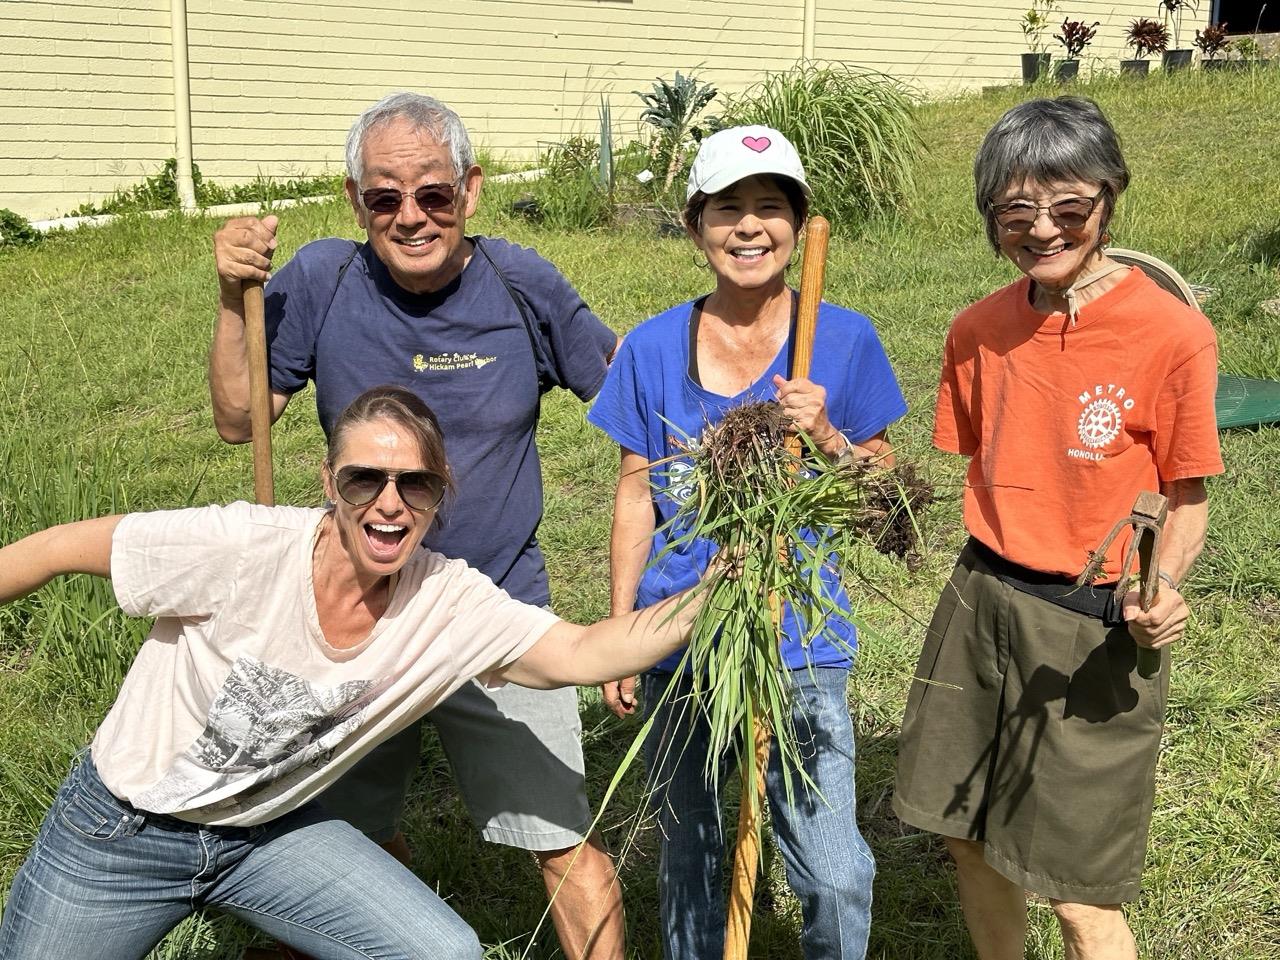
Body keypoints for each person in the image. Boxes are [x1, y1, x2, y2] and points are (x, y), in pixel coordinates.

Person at [0, 386, 724, 960]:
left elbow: (581, 652)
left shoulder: (446, 600)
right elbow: (56, 547)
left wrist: (719, 589)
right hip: (124, 832)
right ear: (328, 480)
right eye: (363, 479)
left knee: (441, 952)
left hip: (266, 834)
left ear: (441, 492)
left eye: (416, 484)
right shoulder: (243, 546)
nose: (389, 503)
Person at [210, 92, 623, 958]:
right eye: (384, 197)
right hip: (354, 614)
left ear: (470, 189)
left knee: (566, 849)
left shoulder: (521, 284)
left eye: (433, 193)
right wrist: (228, 296)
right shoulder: (322, 280)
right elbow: (241, 420)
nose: (410, 216)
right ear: (354, 200)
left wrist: (738, 409)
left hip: (493, 609)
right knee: (331, 853)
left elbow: (631, 394)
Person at [891, 97, 1222, 960]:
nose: (1042, 230)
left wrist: (1162, 588)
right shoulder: (977, 330)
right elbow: (983, 458)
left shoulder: (1173, 333)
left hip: (1093, 624)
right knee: (965, 837)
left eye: (1068, 207)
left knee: (1077, 894)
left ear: (1109, 200)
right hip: (980, 597)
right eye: (1015, 211)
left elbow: (1187, 495)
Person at [587, 126, 908, 959]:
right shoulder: (652, 346)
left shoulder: (842, 340)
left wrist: (829, 435)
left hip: (800, 638)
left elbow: (891, 513)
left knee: (836, 875)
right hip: (677, 633)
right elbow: (636, 495)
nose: (750, 227)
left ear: (798, 225)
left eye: (771, 206)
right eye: (727, 208)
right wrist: (621, 632)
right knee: (691, 852)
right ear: (695, 226)